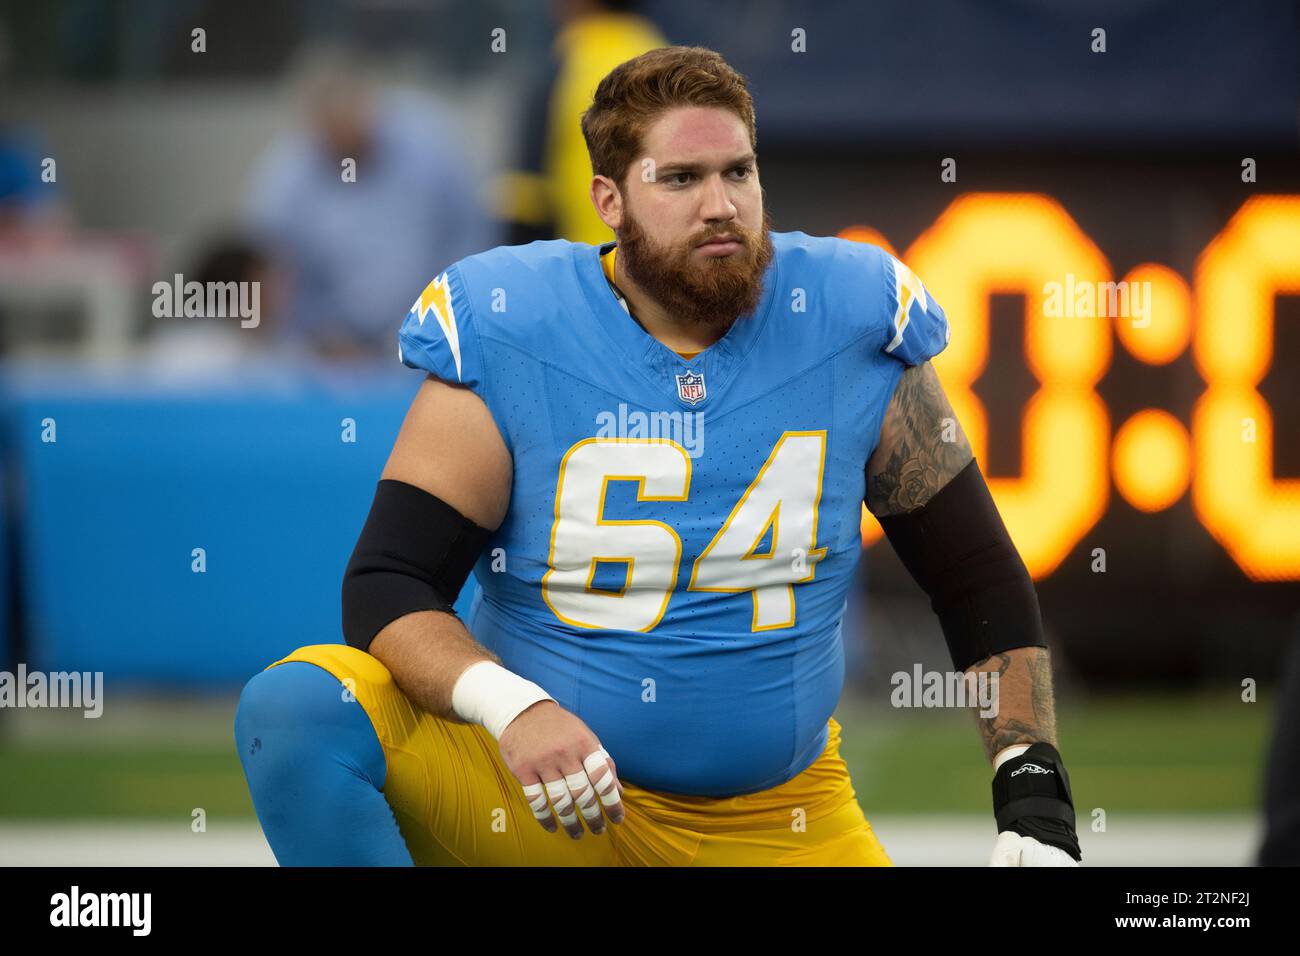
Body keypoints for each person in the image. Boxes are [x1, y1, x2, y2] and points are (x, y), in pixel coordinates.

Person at [235, 46, 1082, 867]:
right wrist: (512, 706)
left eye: (738, 172)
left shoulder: (852, 317)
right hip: (540, 797)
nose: (721, 204)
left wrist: (1031, 780)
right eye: (681, 179)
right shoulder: (514, 323)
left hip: (774, 818)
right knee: (301, 706)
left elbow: (974, 576)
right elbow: (387, 584)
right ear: (609, 199)